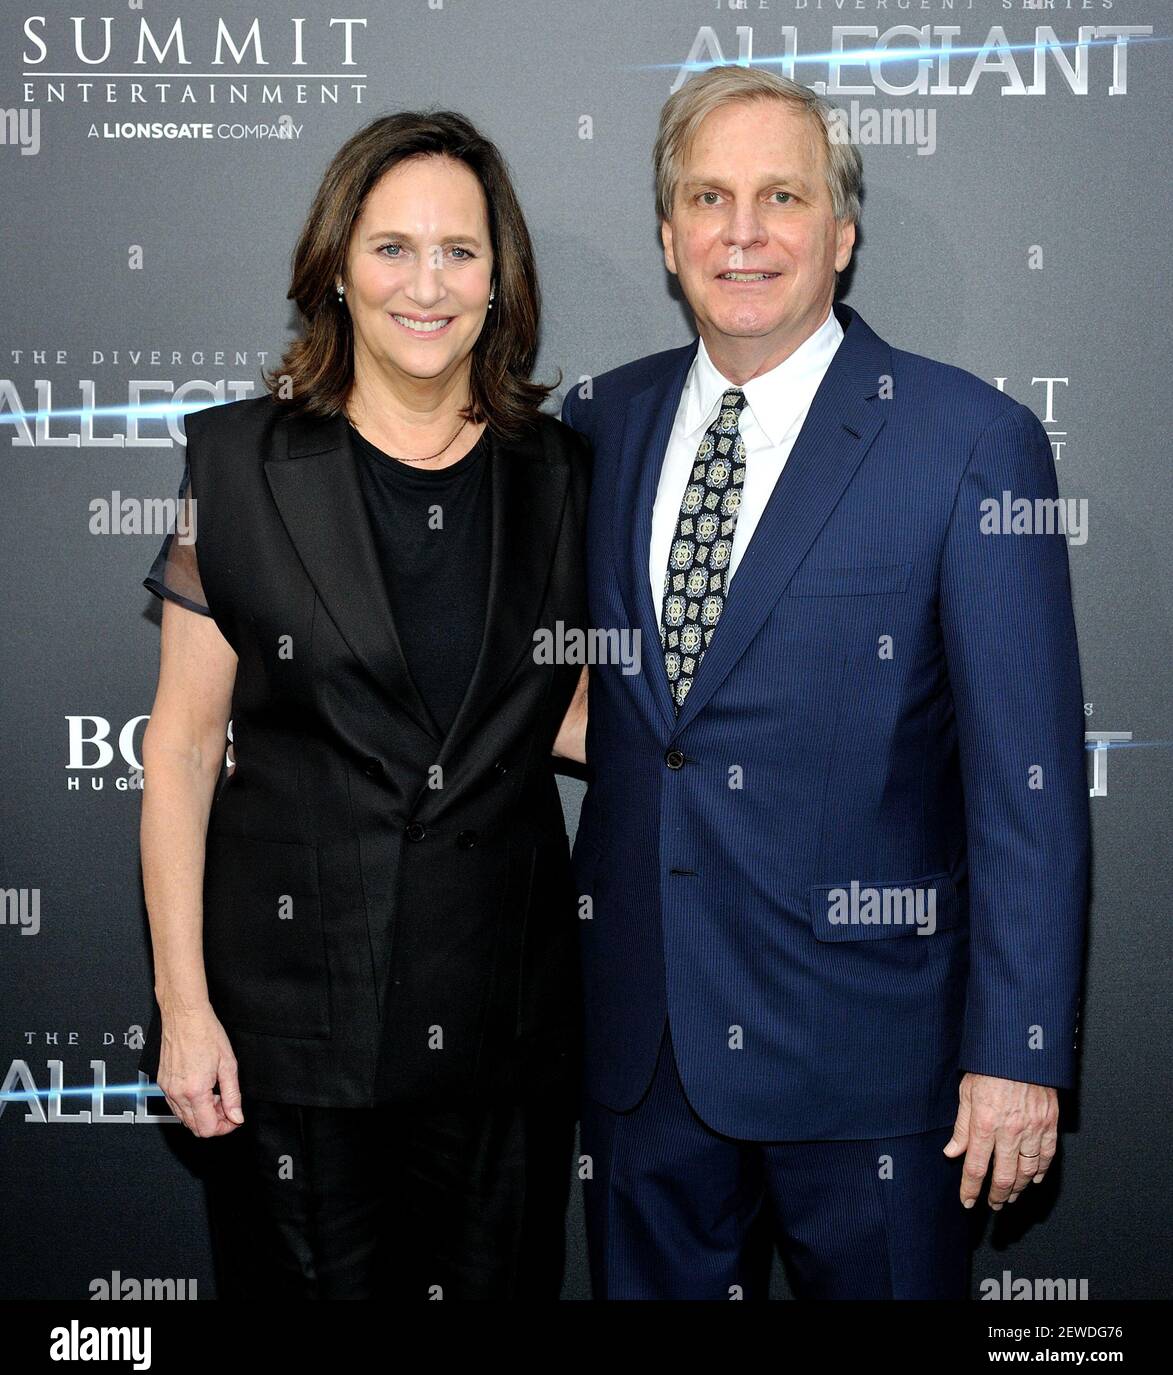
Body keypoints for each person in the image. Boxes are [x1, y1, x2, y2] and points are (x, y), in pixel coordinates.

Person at [560, 65, 1090, 1300]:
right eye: (709, 197)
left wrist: (1018, 1051)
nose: (742, 233)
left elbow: (1030, 783)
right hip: (645, 1059)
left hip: (876, 1072)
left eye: (782, 196)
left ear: (841, 234)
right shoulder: (596, 425)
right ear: (667, 232)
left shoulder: (967, 442)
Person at [139, 109, 590, 1300]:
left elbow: (580, 712)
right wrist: (184, 1008)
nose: (426, 285)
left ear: (501, 282)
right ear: (337, 267)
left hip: (502, 1040)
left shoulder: (561, 476)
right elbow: (181, 749)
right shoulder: (236, 468)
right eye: (393, 248)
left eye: (460, 251)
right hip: (295, 1036)